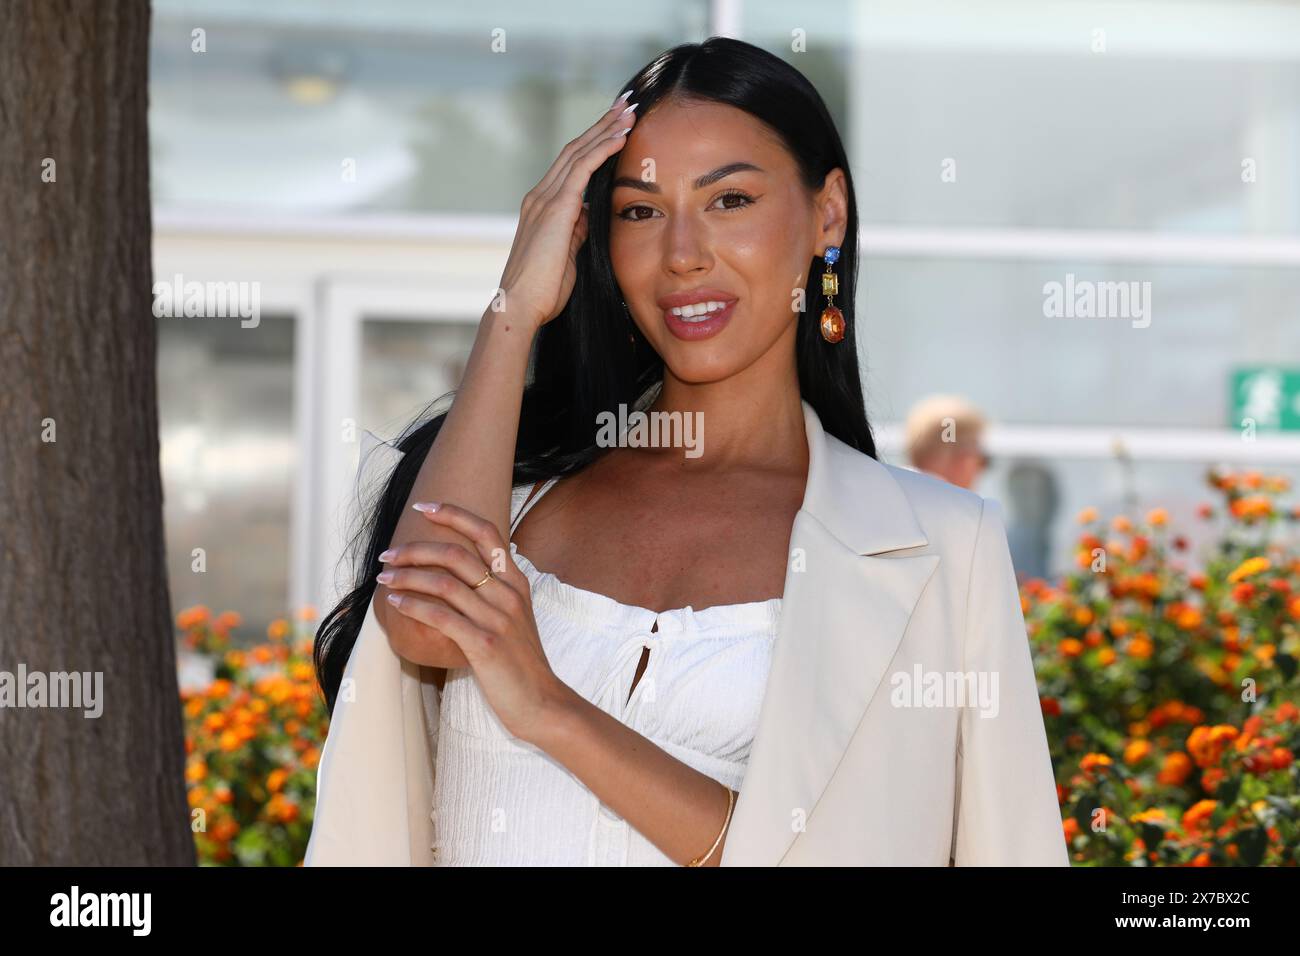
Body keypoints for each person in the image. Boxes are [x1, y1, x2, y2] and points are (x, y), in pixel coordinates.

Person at [305, 37, 1066, 867]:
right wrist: (513, 314)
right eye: (639, 210)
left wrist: (550, 707)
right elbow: (424, 631)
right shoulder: (506, 492)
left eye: (730, 199)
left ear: (828, 215)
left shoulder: (942, 549)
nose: (682, 254)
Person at [904, 394, 991, 490]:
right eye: (983, 459)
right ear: (962, 458)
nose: (981, 468)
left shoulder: (897, 493)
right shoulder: (959, 502)